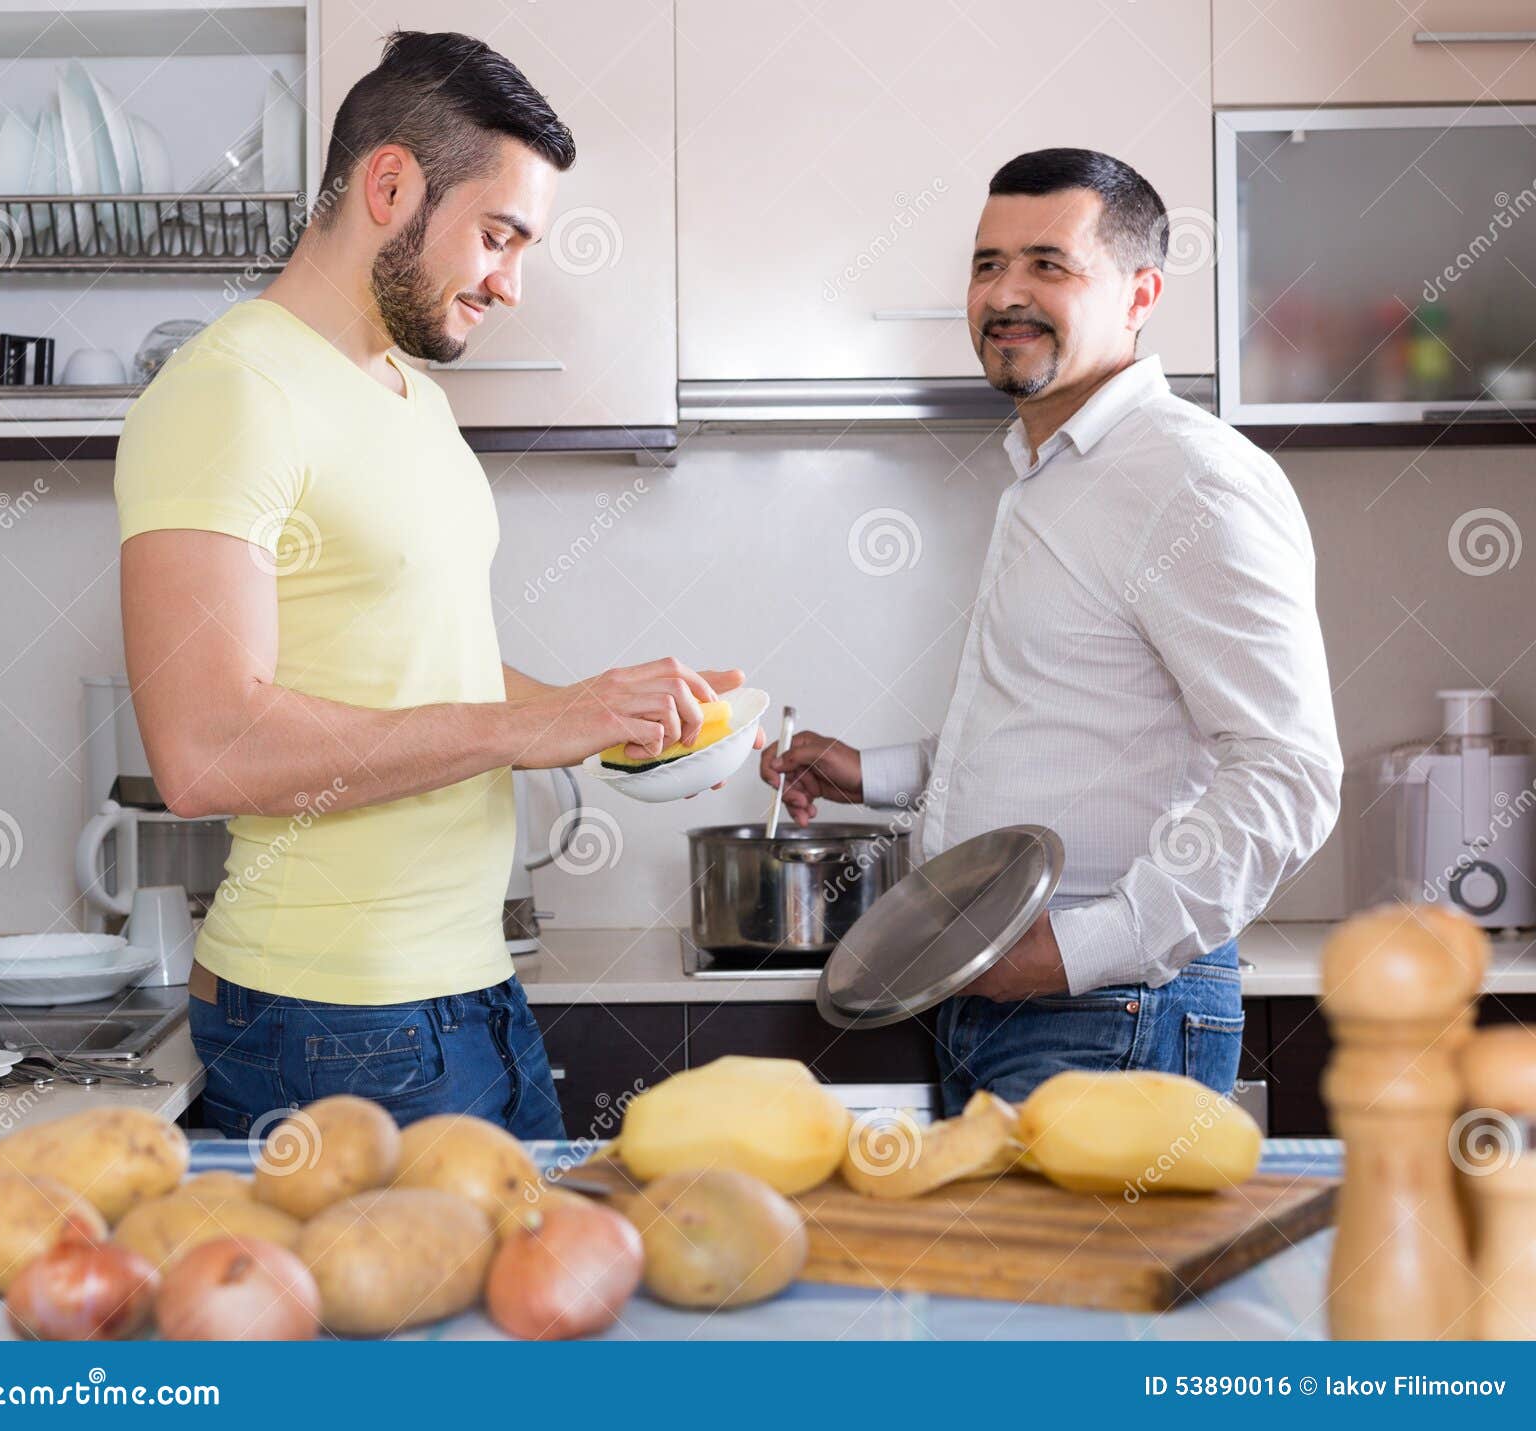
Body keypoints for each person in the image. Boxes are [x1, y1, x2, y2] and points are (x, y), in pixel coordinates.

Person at [115, 31, 745, 1139]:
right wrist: (526, 729)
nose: (509, 283)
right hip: (332, 1014)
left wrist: (598, 720)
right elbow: (205, 750)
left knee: (538, 1307)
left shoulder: (413, 400)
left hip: (467, 987)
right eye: (496, 235)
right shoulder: (227, 392)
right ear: (391, 184)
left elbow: (421, 655)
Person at [762, 148, 1341, 1112]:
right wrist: (876, 771)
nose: (1005, 295)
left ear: (1140, 293)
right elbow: (1055, 720)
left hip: (1111, 1004)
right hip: (1004, 993)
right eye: (988, 265)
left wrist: (1068, 955)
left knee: (1080, 1272)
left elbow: (1288, 772)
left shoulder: (1190, 480)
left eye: (1048, 265)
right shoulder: (1051, 470)